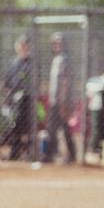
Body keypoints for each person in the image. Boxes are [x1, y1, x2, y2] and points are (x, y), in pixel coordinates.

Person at [0, 35, 34, 165]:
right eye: (21, 45)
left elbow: (32, 83)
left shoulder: (31, 63)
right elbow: (7, 83)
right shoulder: (14, 63)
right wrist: (7, 97)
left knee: (24, 128)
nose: (23, 48)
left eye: (26, 45)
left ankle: (16, 153)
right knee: (14, 126)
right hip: (16, 102)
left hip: (28, 100)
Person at [43, 32, 76, 164]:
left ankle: (49, 155)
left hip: (61, 101)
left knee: (53, 128)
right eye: (54, 43)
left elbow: (65, 83)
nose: (56, 45)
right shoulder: (57, 59)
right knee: (62, 128)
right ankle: (71, 154)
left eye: (59, 43)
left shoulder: (64, 60)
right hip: (55, 100)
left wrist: (63, 103)